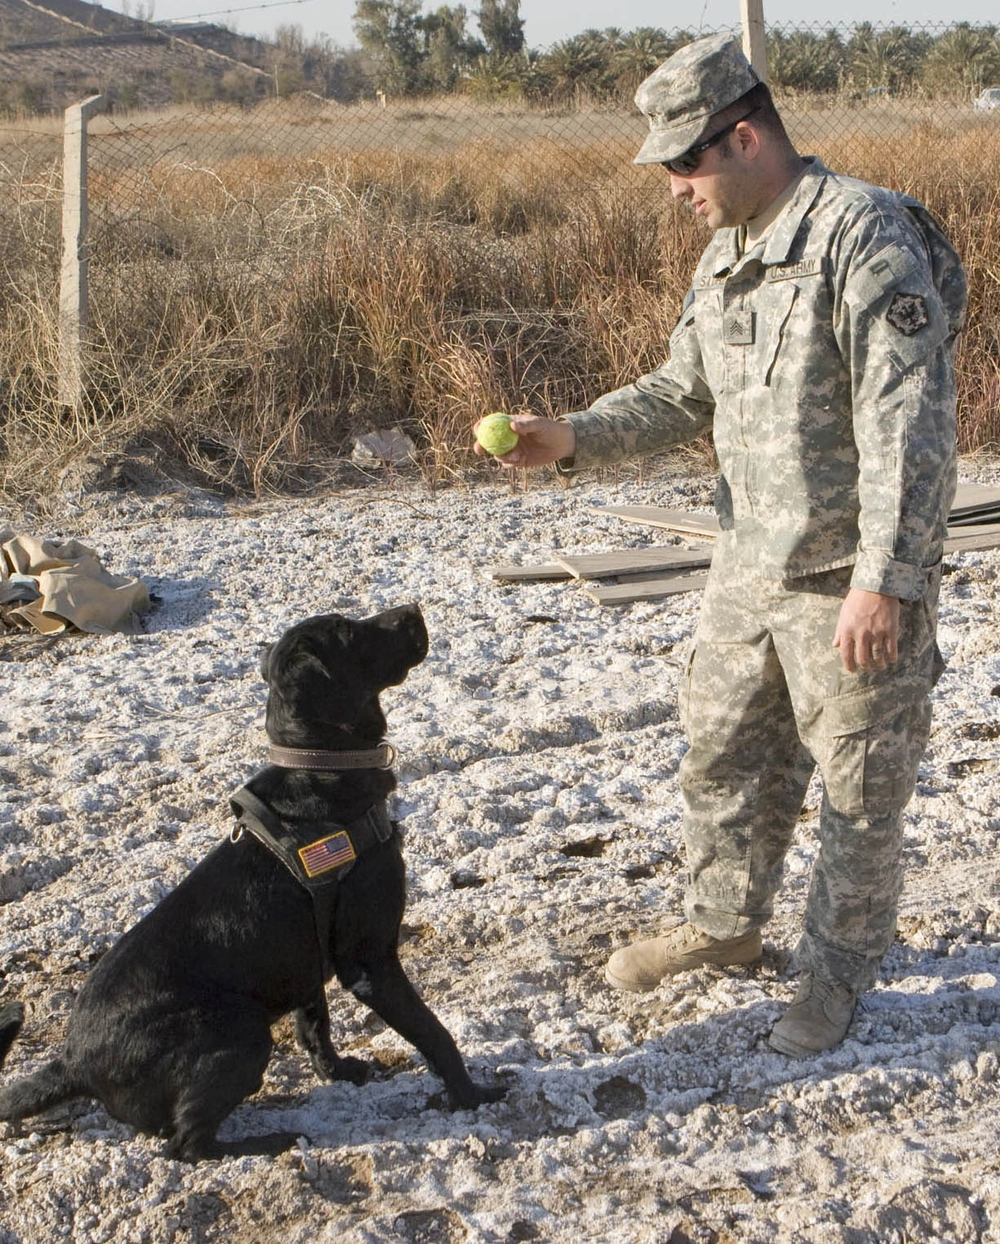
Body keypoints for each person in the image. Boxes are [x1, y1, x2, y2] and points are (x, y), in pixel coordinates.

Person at [474, 33, 967, 1057]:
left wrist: (888, 581)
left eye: (682, 164)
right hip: (746, 571)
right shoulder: (728, 253)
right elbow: (678, 391)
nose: (671, 189)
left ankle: (831, 979)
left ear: (742, 137)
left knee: (855, 794)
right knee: (722, 764)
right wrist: (571, 437)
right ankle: (723, 928)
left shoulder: (861, 236)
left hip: (844, 582)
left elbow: (910, 427)